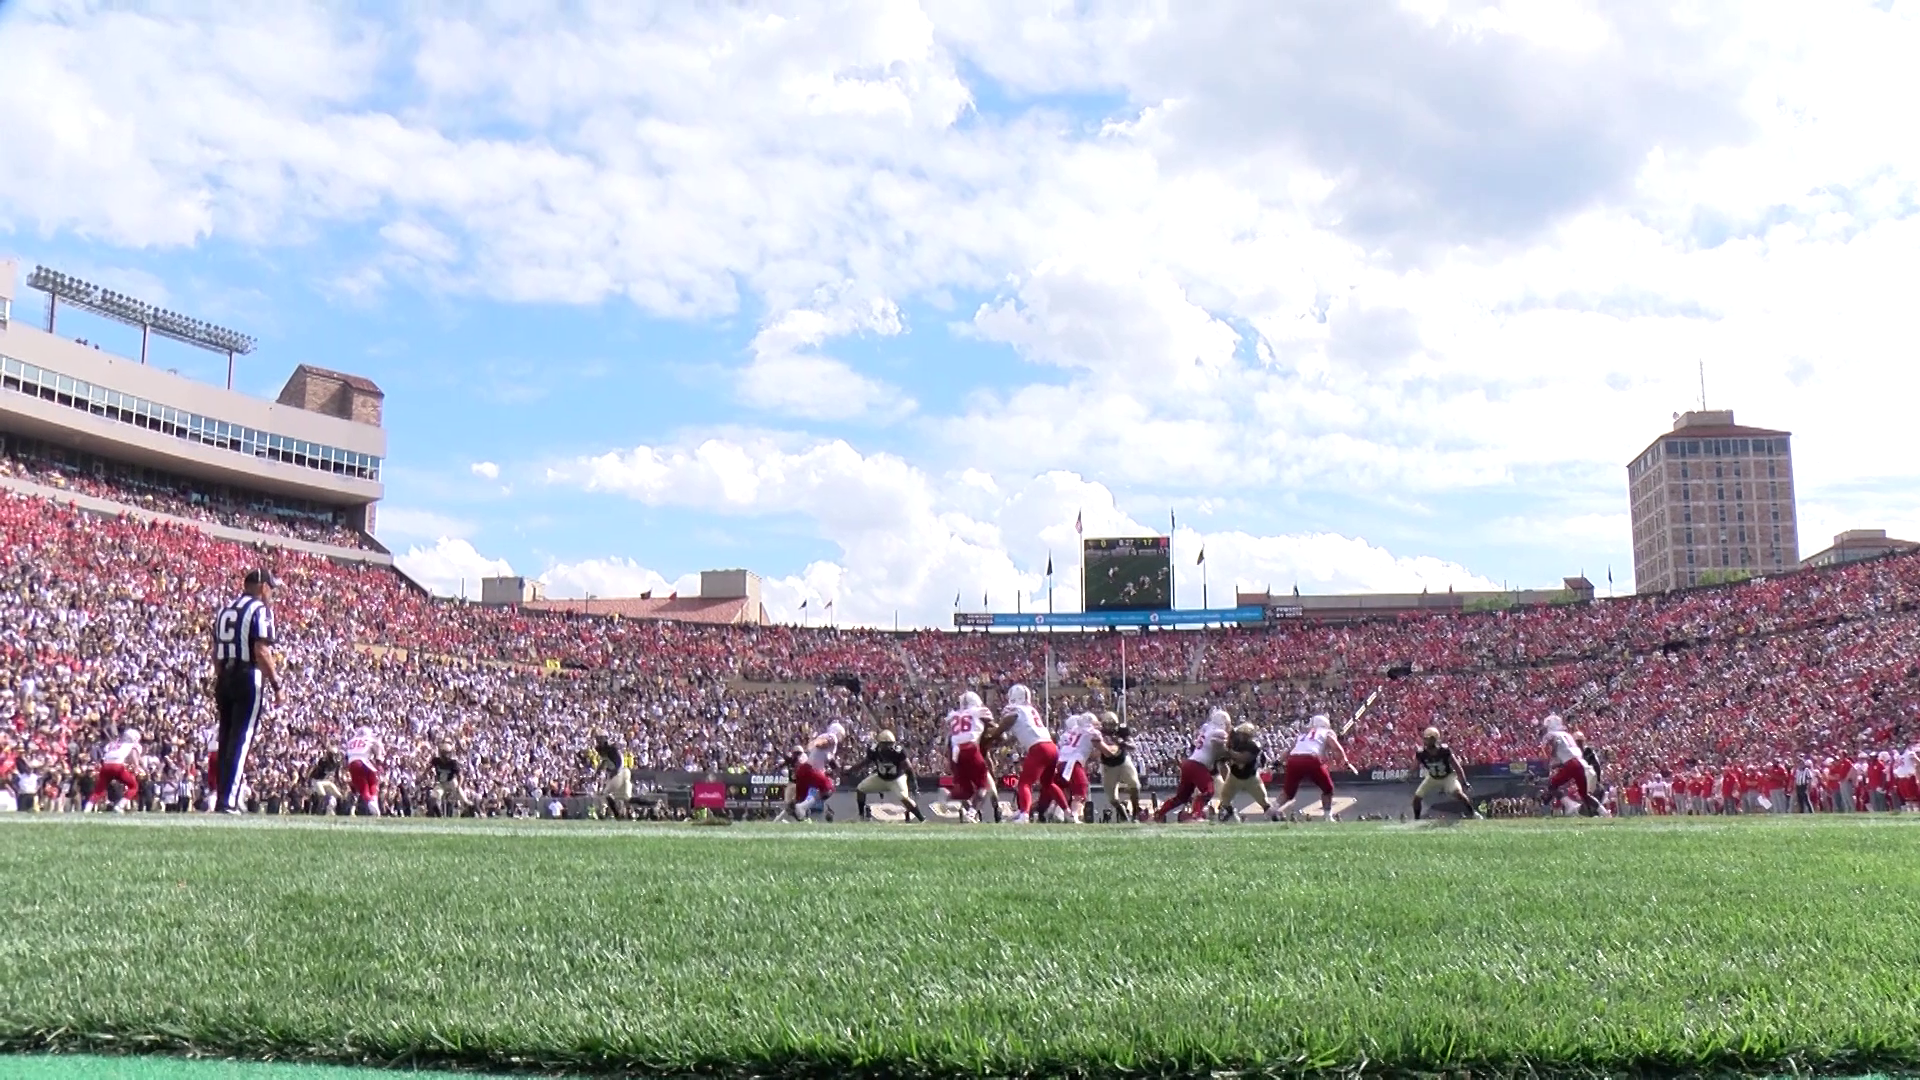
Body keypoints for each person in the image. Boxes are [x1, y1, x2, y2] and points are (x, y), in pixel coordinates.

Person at [211, 568, 280, 815]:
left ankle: (222, 796)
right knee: (241, 738)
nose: (272, 594)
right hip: (247, 675)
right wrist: (276, 684)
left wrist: (221, 677)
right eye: (271, 588)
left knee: (226, 737)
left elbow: (215, 651)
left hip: (225, 675)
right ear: (262, 586)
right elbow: (261, 651)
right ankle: (228, 799)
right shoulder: (260, 610)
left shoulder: (224, 609)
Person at [993, 685, 1065, 823]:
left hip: (1039, 748)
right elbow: (1020, 732)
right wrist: (1005, 742)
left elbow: (1010, 719)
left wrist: (996, 734)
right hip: (1052, 747)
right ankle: (1068, 813)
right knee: (1048, 783)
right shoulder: (1031, 710)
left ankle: (1024, 815)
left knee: (1024, 784)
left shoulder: (1015, 709)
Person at [1155, 708, 1230, 822]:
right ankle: (1196, 814)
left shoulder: (1206, 728)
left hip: (1188, 764)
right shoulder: (1220, 733)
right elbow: (1220, 746)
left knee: (1181, 797)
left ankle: (1160, 813)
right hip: (1198, 765)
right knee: (1208, 791)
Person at [1276, 713, 1353, 821]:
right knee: (1328, 789)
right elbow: (1336, 748)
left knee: (1288, 793)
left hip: (1293, 759)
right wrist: (1345, 762)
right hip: (1311, 759)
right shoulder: (1327, 732)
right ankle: (1328, 817)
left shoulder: (1303, 735)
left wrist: (1278, 762)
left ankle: (1272, 810)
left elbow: (1289, 750)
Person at [943, 691, 999, 823]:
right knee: (983, 786)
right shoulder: (979, 712)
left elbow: (950, 739)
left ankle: (948, 795)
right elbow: (995, 728)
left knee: (966, 791)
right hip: (970, 749)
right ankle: (971, 814)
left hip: (956, 752)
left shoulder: (955, 715)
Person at [1411, 726, 1478, 820]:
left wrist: (1464, 782)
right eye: (1425, 739)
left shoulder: (1444, 751)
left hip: (1448, 777)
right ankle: (1416, 819)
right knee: (1417, 798)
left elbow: (1457, 767)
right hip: (1432, 777)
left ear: (1434, 740)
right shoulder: (1421, 753)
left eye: (1428, 739)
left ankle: (1473, 814)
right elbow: (1415, 765)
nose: (1425, 741)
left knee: (1459, 794)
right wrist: (1408, 774)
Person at [855, 730, 923, 822]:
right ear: (879, 743)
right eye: (885, 744)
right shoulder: (873, 749)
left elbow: (909, 768)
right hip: (880, 778)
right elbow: (866, 762)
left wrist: (914, 785)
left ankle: (922, 819)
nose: (888, 746)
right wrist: (852, 770)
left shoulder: (898, 751)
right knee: (860, 789)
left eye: (890, 744)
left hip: (897, 778)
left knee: (903, 797)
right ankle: (861, 816)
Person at [783, 721, 845, 822]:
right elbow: (823, 742)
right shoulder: (832, 737)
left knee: (798, 804)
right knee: (829, 788)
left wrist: (839, 770)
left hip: (803, 771)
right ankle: (802, 807)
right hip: (810, 771)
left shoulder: (828, 745)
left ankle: (794, 809)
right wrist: (817, 743)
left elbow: (830, 761)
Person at [1540, 714, 1598, 816]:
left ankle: (1571, 805)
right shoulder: (1567, 735)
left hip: (1571, 764)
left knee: (1552, 785)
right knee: (1584, 794)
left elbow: (1552, 750)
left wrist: (1550, 761)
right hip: (1581, 763)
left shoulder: (1551, 735)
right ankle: (1602, 813)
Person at [1215, 721, 1272, 822]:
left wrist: (1228, 751)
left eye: (1242, 734)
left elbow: (1242, 758)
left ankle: (1275, 819)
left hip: (1251, 779)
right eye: (1239, 733)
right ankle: (1228, 817)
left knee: (1265, 803)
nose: (1239, 736)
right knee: (1225, 801)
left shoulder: (1254, 745)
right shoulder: (1235, 741)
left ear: (1248, 735)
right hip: (1234, 777)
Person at [1094, 712, 1142, 822]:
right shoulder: (1098, 732)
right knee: (1112, 798)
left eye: (1112, 724)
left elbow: (1133, 746)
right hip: (1108, 765)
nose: (1110, 727)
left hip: (1123, 761)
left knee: (1135, 785)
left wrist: (1121, 743)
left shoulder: (1122, 730)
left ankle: (1135, 815)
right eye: (1108, 725)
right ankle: (1124, 816)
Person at [1053, 713, 1098, 823]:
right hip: (1073, 763)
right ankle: (1074, 816)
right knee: (1080, 789)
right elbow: (1096, 751)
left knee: (1064, 790)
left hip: (1060, 762)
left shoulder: (1072, 732)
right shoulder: (1091, 732)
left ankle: (1056, 812)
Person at [88, 727, 142, 813]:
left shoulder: (113, 744)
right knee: (133, 786)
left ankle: (88, 807)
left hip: (105, 766)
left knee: (99, 789)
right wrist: (136, 766)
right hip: (117, 767)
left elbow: (106, 753)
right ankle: (120, 806)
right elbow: (134, 755)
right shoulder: (131, 745)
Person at [344, 725, 382, 817]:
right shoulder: (371, 740)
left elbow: (346, 758)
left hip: (353, 763)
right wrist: (379, 763)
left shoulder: (350, 741)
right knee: (373, 781)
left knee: (363, 787)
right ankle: (373, 800)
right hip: (366, 762)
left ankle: (371, 802)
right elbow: (378, 754)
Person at [595, 732, 631, 820]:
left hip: (620, 771)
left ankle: (617, 813)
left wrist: (616, 771)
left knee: (607, 793)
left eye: (600, 738)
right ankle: (625, 814)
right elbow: (605, 761)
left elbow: (620, 760)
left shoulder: (611, 748)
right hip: (618, 772)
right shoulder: (601, 749)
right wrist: (598, 771)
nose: (598, 740)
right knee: (624, 796)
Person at [429, 742, 471, 817]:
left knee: (460, 794)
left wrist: (459, 785)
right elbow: (429, 767)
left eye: (447, 753)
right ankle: (439, 814)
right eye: (445, 753)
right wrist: (422, 776)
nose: (446, 756)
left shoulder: (453, 763)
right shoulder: (436, 761)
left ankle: (467, 805)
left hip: (451, 781)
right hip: (441, 783)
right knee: (434, 797)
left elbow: (461, 776)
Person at [307, 749, 345, 815]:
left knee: (339, 796)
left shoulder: (337, 763)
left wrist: (341, 785)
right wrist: (309, 782)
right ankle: (318, 811)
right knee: (322, 795)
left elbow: (337, 776)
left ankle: (334, 812)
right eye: (333, 755)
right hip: (317, 781)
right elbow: (314, 772)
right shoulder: (323, 761)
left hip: (326, 782)